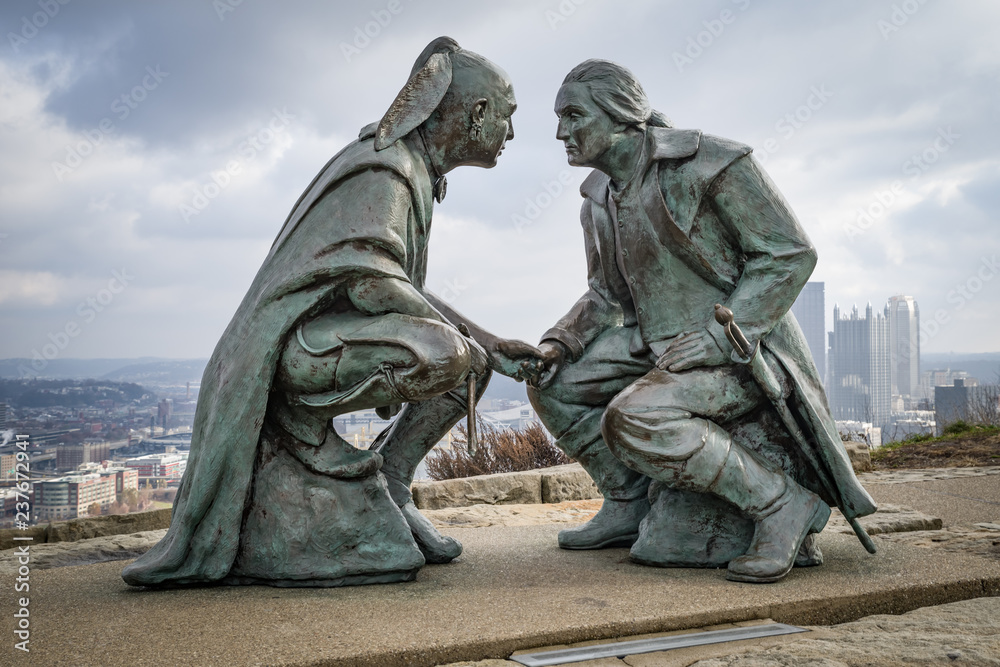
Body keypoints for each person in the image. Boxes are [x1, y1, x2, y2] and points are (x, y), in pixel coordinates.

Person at [123, 37, 542, 587]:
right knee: (447, 351)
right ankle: (298, 433)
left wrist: (489, 342)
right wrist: (468, 339)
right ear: (478, 113)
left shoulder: (412, 168)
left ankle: (390, 489)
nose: (511, 134)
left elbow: (388, 281)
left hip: (331, 338)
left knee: (472, 358)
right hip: (292, 352)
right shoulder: (384, 169)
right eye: (507, 118)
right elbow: (373, 286)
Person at [528, 59, 876, 583]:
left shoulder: (710, 162)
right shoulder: (597, 198)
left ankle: (779, 504)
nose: (561, 131)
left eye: (573, 115)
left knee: (634, 417)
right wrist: (556, 345)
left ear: (622, 114)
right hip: (654, 347)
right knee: (552, 384)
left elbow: (788, 254)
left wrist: (721, 333)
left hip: (739, 351)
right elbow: (604, 296)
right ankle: (627, 503)